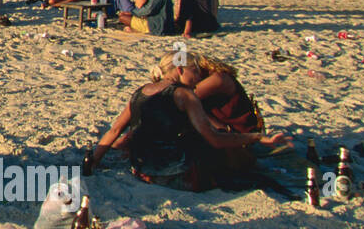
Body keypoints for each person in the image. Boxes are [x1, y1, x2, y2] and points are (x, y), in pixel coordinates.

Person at [85, 54, 288, 190]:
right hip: (173, 174)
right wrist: (258, 138)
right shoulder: (185, 96)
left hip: (141, 170)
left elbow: (115, 130)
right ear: (181, 69)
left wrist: (93, 162)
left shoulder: (141, 91)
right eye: (196, 71)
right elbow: (215, 139)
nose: (198, 76)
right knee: (218, 151)